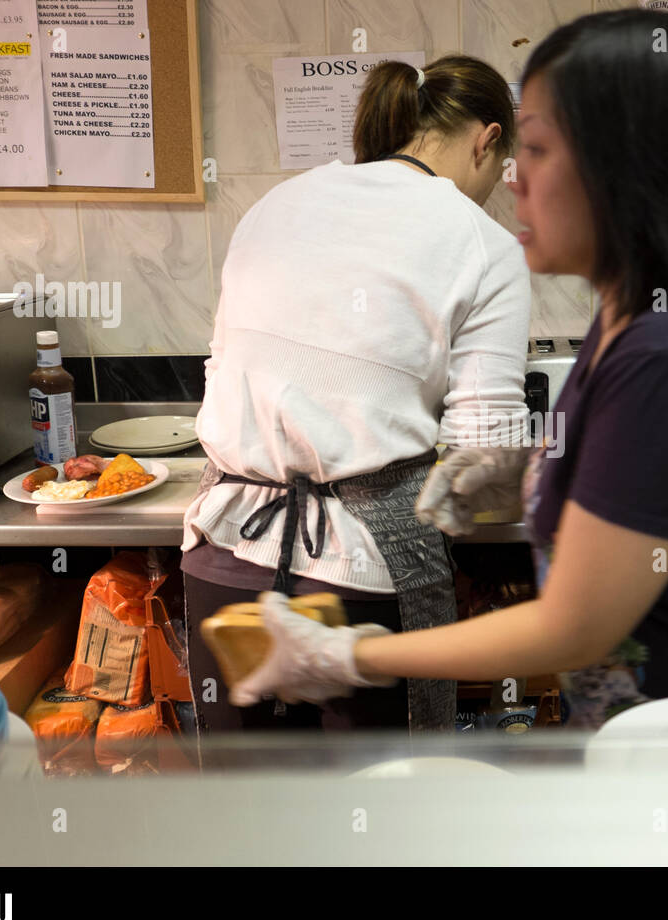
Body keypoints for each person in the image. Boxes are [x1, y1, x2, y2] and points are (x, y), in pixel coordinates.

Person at [227, 10, 668, 729]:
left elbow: (574, 627)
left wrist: (349, 656)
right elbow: (640, 486)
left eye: (537, 147)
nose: (513, 176)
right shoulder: (629, 321)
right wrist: (530, 469)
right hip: (663, 741)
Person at [181, 54, 530, 736]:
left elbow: (227, 364)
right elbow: (486, 452)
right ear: (486, 141)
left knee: (243, 818)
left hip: (222, 555)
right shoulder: (485, 244)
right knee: (384, 820)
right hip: (364, 581)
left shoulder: (275, 202)